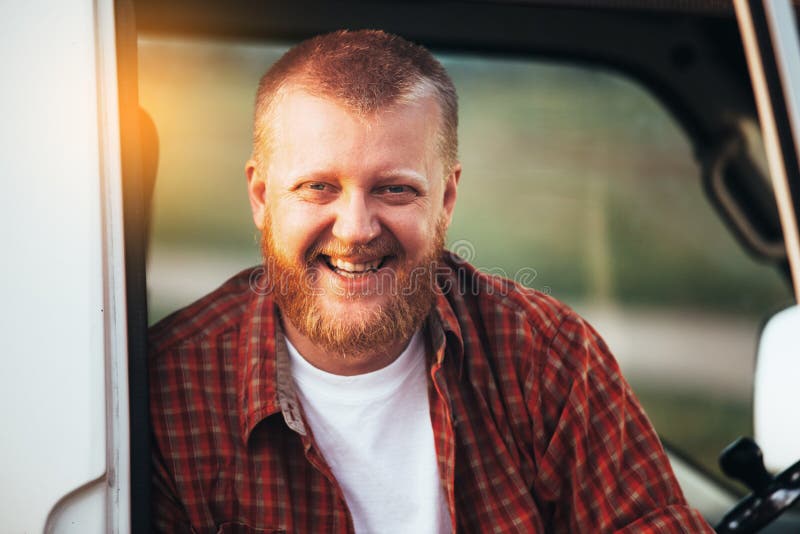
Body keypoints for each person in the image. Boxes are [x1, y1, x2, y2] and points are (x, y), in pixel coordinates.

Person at [149, 29, 713, 533]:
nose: (355, 229)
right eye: (318, 187)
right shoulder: (166, 390)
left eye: (395, 189)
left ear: (446, 198)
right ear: (261, 196)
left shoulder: (548, 356)